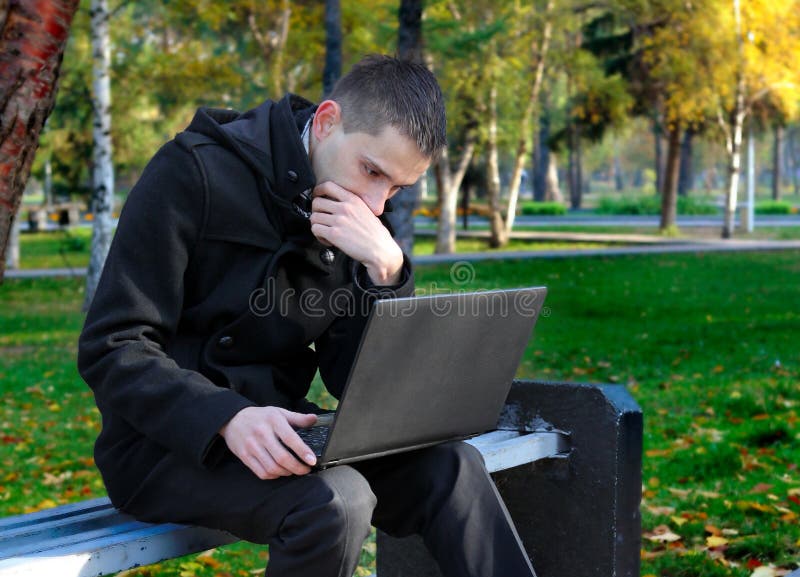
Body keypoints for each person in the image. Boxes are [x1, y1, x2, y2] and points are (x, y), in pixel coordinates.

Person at [78, 54, 537, 577]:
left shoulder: (352, 215)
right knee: (336, 503)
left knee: (451, 468)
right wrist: (226, 417)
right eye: (371, 171)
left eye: (395, 189)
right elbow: (113, 345)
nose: (376, 202)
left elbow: (349, 378)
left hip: (289, 434)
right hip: (166, 448)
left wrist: (384, 272)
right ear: (325, 122)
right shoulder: (193, 171)